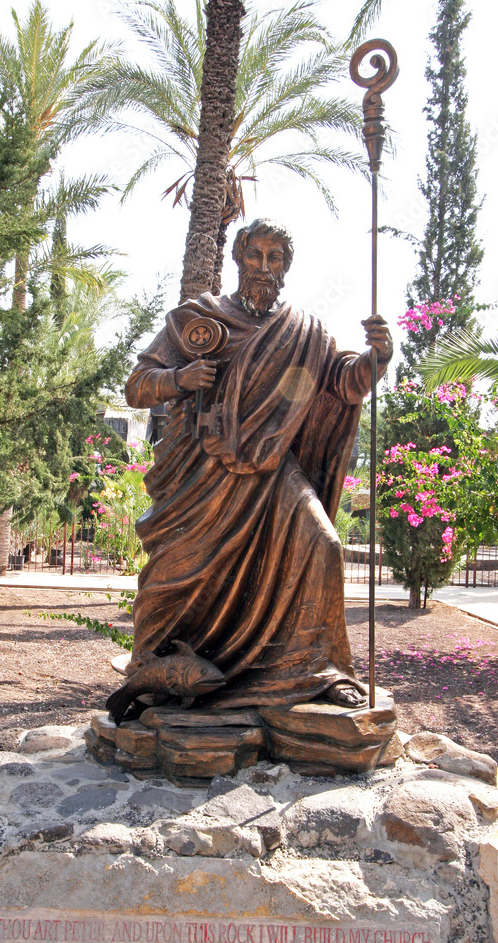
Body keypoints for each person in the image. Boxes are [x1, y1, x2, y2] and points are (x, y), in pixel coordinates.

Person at [123, 218, 392, 712]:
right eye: (255, 255)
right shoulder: (199, 318)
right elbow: (138, 386)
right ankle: (156, 670)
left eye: (275, 258)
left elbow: (343, 386)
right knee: (176, 580)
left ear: (286, 267)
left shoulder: (305, 332)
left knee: (324, 546)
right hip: (203, 480)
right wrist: (181, 377)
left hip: (273, 470)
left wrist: (375, 360)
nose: (264, 267)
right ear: (239, 259)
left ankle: (318, 671)